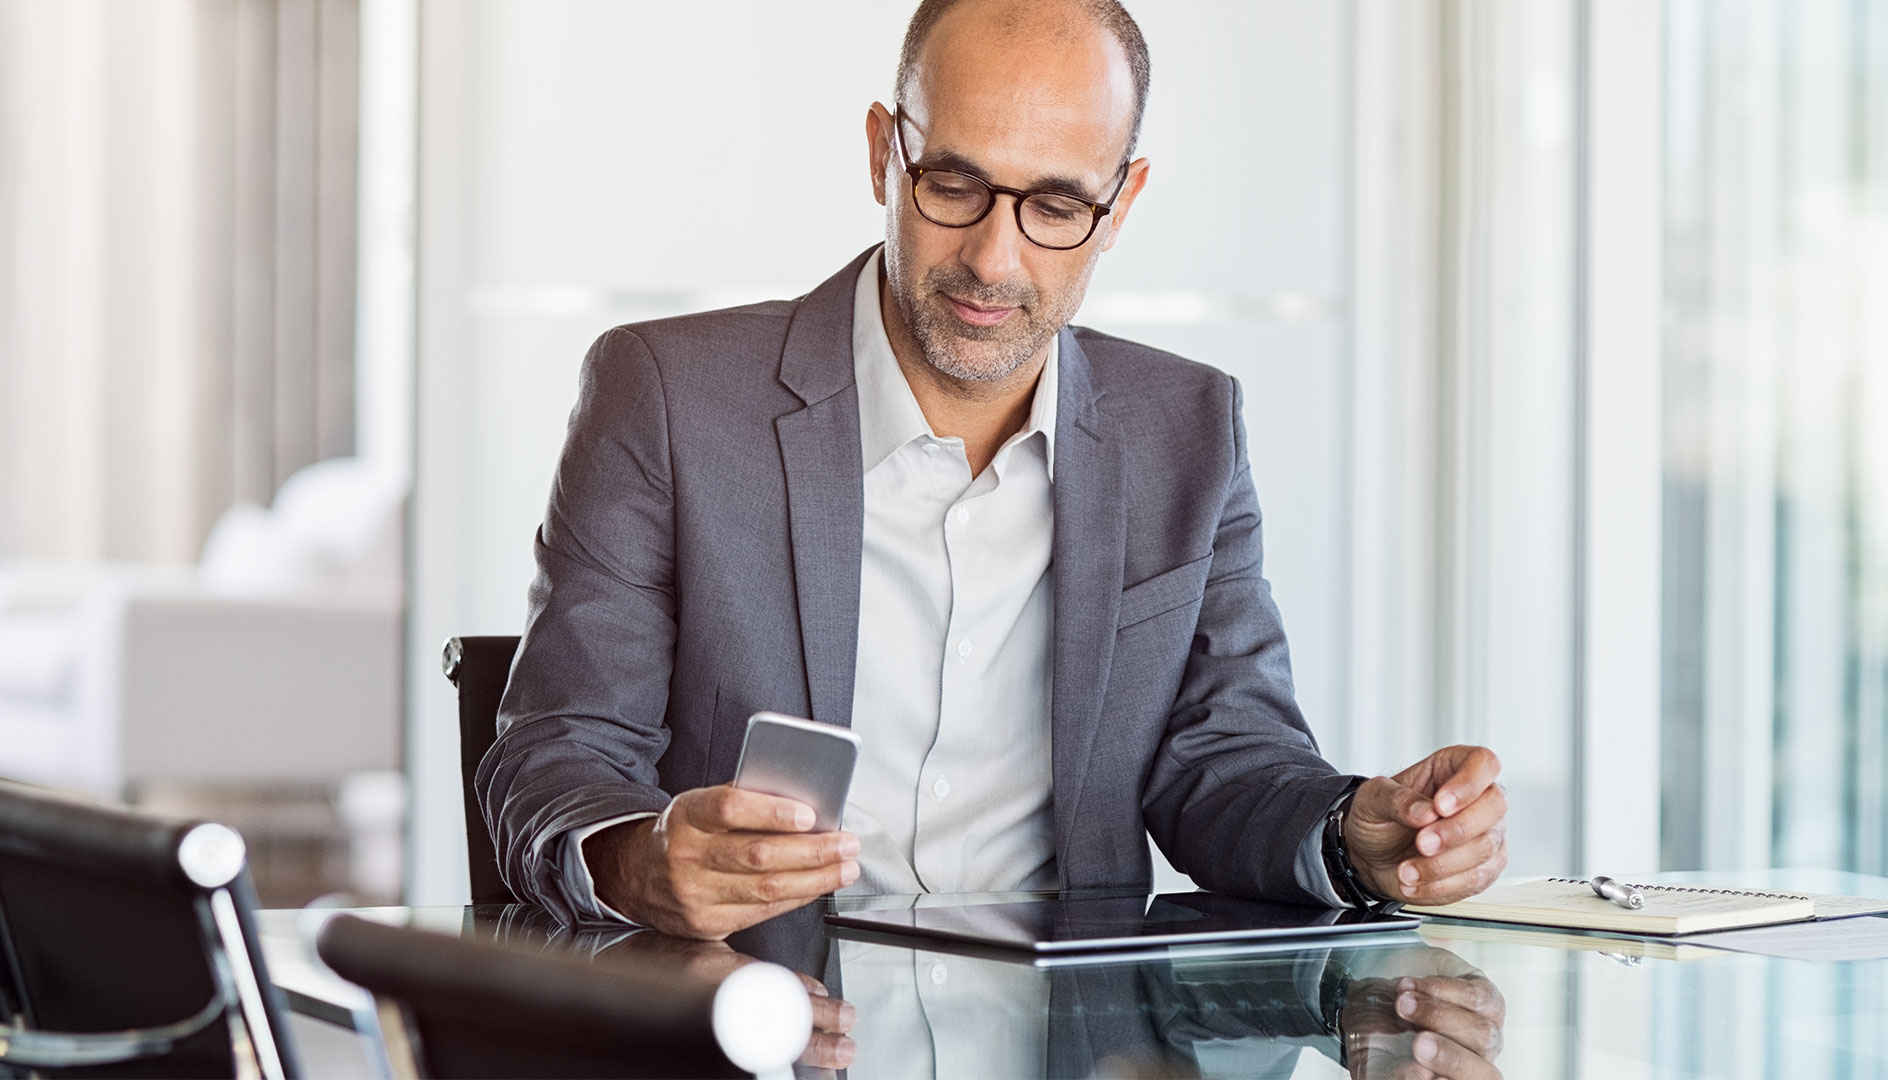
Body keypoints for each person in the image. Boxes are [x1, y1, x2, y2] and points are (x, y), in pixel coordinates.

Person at [478, 0, 1508, 940]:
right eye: (956, 185)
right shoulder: (668, 397)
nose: (993, 261)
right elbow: (557, 755)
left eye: (1057, 206)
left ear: (1123, 201)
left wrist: (1352, 833)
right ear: (886, 154)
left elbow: (1224, 763)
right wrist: (637, 859)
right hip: (758, 1024)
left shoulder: (1188, 429)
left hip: (1066, 1029)